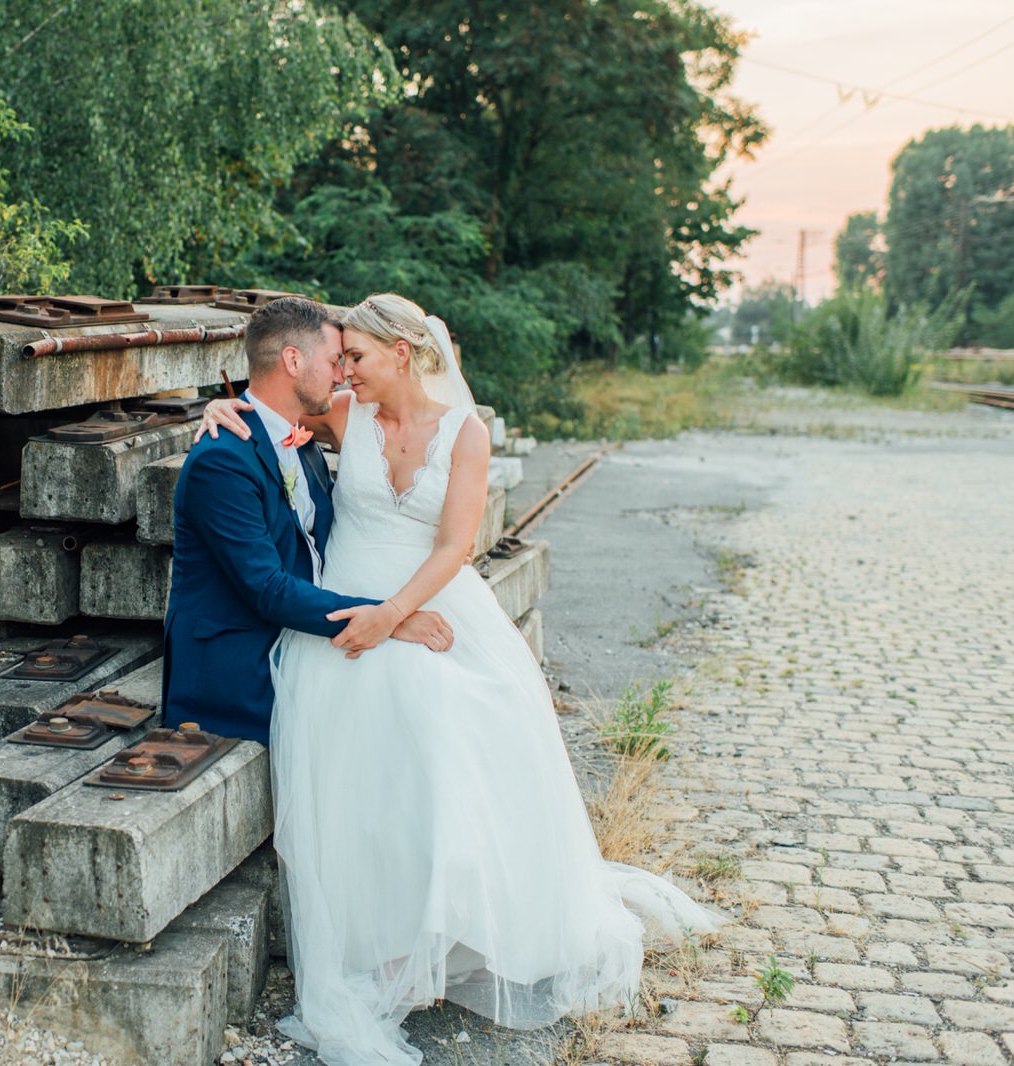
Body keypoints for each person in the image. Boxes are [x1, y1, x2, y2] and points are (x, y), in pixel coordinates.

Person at [196, 293, 722, 1065]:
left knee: (455, 720)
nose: (346, 371)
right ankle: (381, 935)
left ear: (402, 353)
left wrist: (394, 613)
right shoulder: (345, 414)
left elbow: (455, 545)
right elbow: (269, 406)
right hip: (349, 608)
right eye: (340, 361)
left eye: (359, 359)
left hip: (427, 599)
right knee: (359, 750)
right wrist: (216, 410)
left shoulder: (464, 433)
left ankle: (446, 926)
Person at [162, 296, 454, 744]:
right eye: (336, 361)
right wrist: (389, 621)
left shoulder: (299, 438)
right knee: (396, 713)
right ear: (293, 360)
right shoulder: (220, 462)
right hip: (242, 670)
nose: (343, 375)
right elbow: (268, 590)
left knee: (429, 690)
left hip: (301, 638)